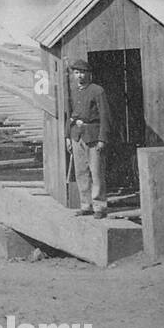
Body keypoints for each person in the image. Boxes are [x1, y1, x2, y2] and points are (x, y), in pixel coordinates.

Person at [67, 59, 110, 218]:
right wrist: (67, 136)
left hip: (93, 136)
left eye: (82, 72)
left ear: (89, 74)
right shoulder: (73, 91)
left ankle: (99, 207)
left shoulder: (97, 91)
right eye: (76, 72)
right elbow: (70, 115)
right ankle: (86, 205)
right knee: (81, 172)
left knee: (96, 172)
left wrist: (102, 139)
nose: (79, 76)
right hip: (76, 136)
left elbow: (105, 116)